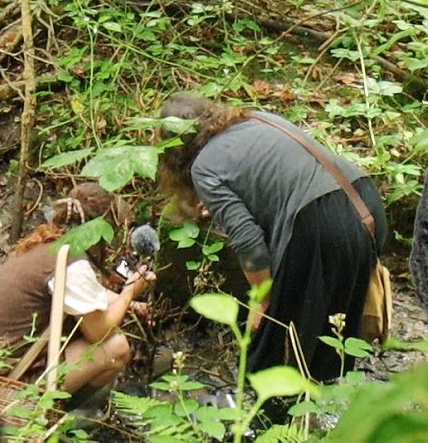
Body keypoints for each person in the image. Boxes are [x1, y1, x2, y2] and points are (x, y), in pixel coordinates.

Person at [156, 92, 388, 383]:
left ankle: (271, 420)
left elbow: (249, 242)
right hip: (365, 202)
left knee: (276, 353)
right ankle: (327, 410)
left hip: (320, 223)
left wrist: (261, 300)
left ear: (173, 150)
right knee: (331, 343)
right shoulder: (256, 119)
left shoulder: (204, 166)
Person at [0, 183, 155, 403]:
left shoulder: (47, 243)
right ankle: (59, 412)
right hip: (7, 382)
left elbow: (83, 291)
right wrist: (129, 292)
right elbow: (98, 332)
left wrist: (129, 305)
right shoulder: (71, 262)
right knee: (117, 347)